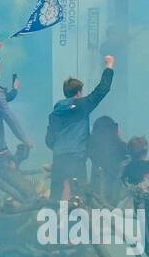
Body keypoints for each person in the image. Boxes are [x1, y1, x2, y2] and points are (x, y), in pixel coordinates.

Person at [46, 55, 115, 200]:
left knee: (56, 198)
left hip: (59, 158)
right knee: (80, 197)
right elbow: (102, 89)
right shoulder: (82, 105)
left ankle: (56, 221)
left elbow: (49, 140)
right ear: (79, 92)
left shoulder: (55, 113)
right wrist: (109, 66)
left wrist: (60, 149)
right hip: (77, 158)